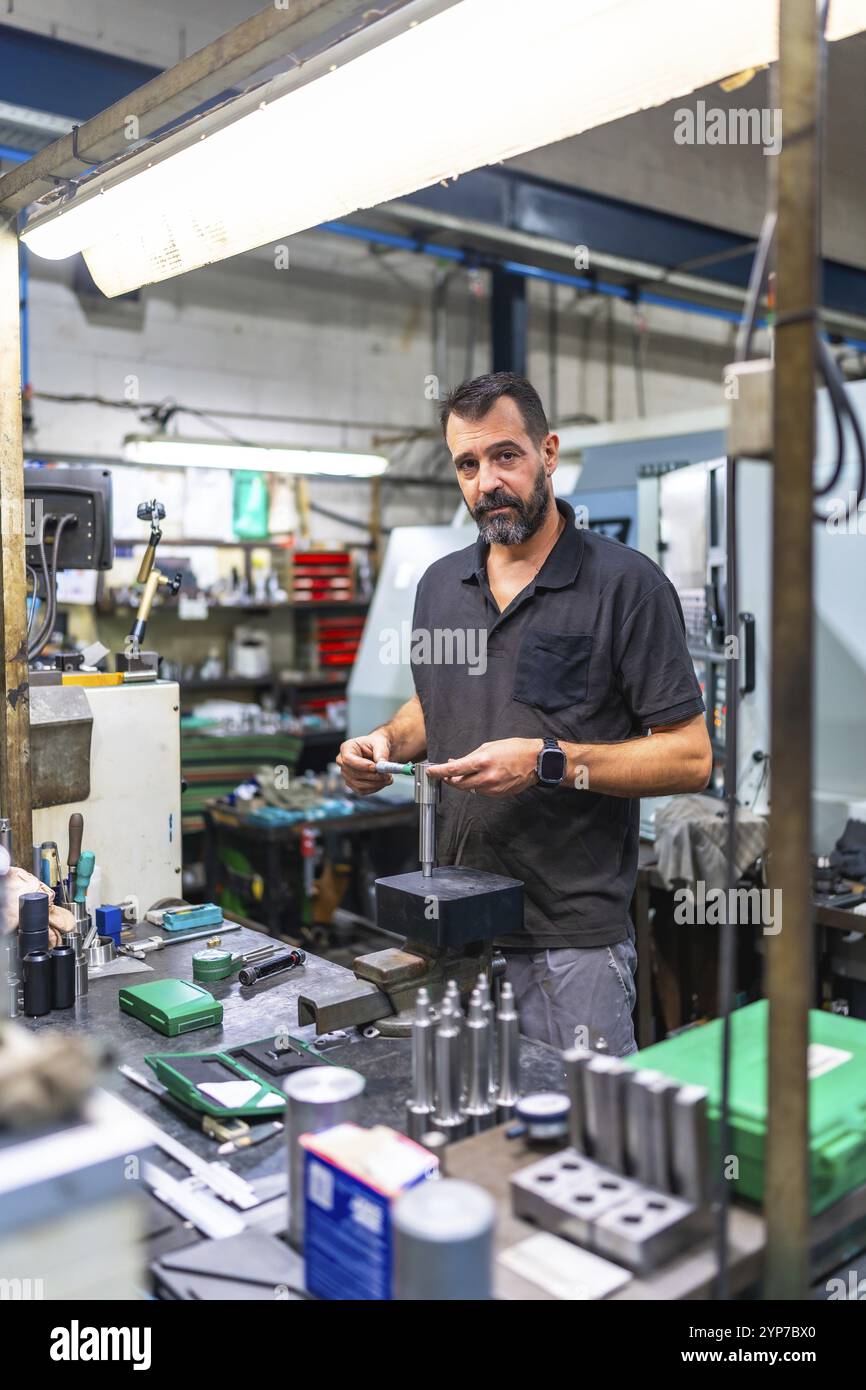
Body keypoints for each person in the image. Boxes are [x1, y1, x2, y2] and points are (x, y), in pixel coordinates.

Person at [339, 372, 711, 1053]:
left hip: (569, 945)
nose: (487, 482)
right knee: (468, 1141)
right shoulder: (440, 585)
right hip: (452, 927)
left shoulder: (625, 586)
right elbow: (437, 699)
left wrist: (548, 761)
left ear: (548, 452)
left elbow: (690, 756)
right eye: (468, 464)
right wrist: (385, 740)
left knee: (588, 1145)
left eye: (505, 456)